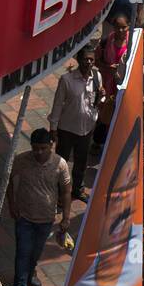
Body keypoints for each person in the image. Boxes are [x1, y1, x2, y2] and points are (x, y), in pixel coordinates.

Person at [7, 129, 72, 286]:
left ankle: (29, 274)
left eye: (43, 148)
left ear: (51, 145)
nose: (39, 152)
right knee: (23, 252)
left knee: (35, 252)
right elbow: (9, 182)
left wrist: (66, 217)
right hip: (24, 217)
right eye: (35, 148)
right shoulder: (21, 160)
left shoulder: (60, 164)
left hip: (46, 219)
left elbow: (66, 192)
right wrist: (12, 204)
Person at [49, 45, 105, 202]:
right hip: (66, 129)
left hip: (87, 130)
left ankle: (77, 189)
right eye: (85, 59)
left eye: (91, 59)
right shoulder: (66, 80)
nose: (88, 62)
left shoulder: (97, 76)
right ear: (79, 60)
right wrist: (53, 128)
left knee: (81, 163)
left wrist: (102, 97)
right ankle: (60, 192)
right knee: (62, 162)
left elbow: (98, 99)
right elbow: (58, 104)